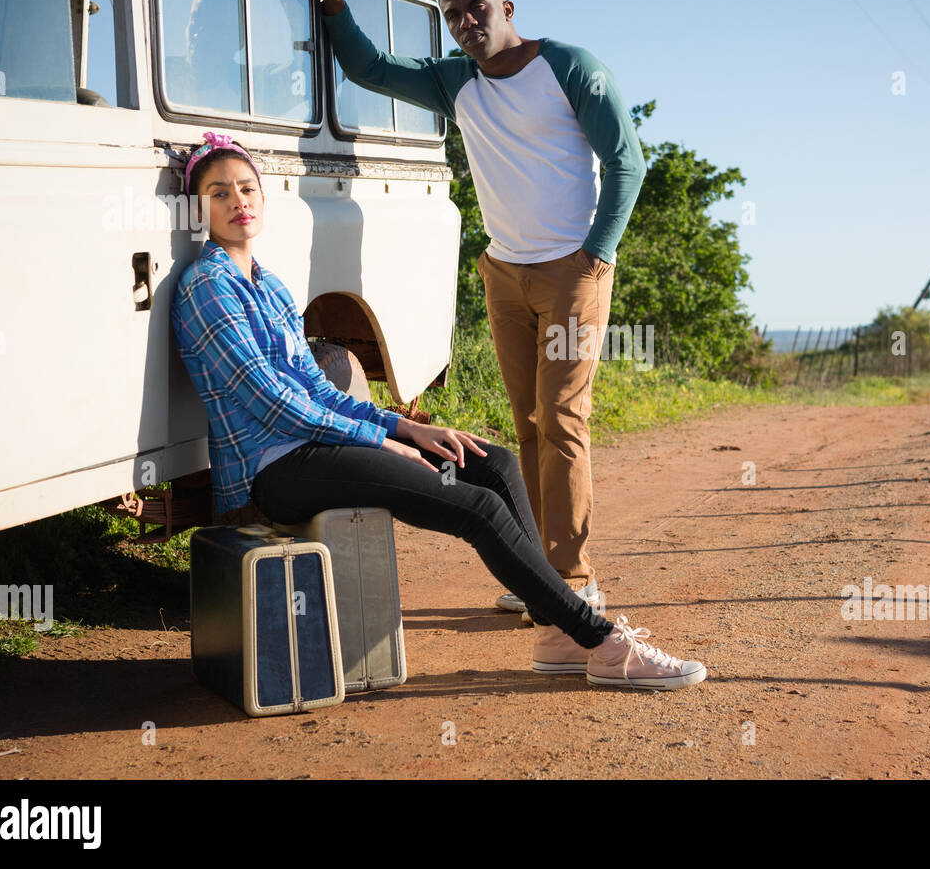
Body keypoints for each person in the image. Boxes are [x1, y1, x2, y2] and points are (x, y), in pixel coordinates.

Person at [169, 133, 705, 690]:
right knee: (475, 508)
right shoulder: (208, 286)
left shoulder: (269, 285)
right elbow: (272, 402)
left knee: (491, 462)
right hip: (273, 470)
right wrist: (379, 443)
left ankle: (555, 633)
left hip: (315, 446)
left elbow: (314, 388)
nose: (238, 201)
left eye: (247, 188)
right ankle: (601, 643)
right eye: (219, 193)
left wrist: (405, 427)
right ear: (198, 207)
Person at [290, 0, 643, 623]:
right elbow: (368, 68)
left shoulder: (570, 67)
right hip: (504, 272)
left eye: (476, 8)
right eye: (452, 14)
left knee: (564, 420)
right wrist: (333, 0)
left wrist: (594, 258)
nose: (466, 22)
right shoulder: (457, 81)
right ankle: (539, 568)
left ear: (505, 6)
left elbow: (626, 163)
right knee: (530, 423)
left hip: (573, 271)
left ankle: (574, 577)